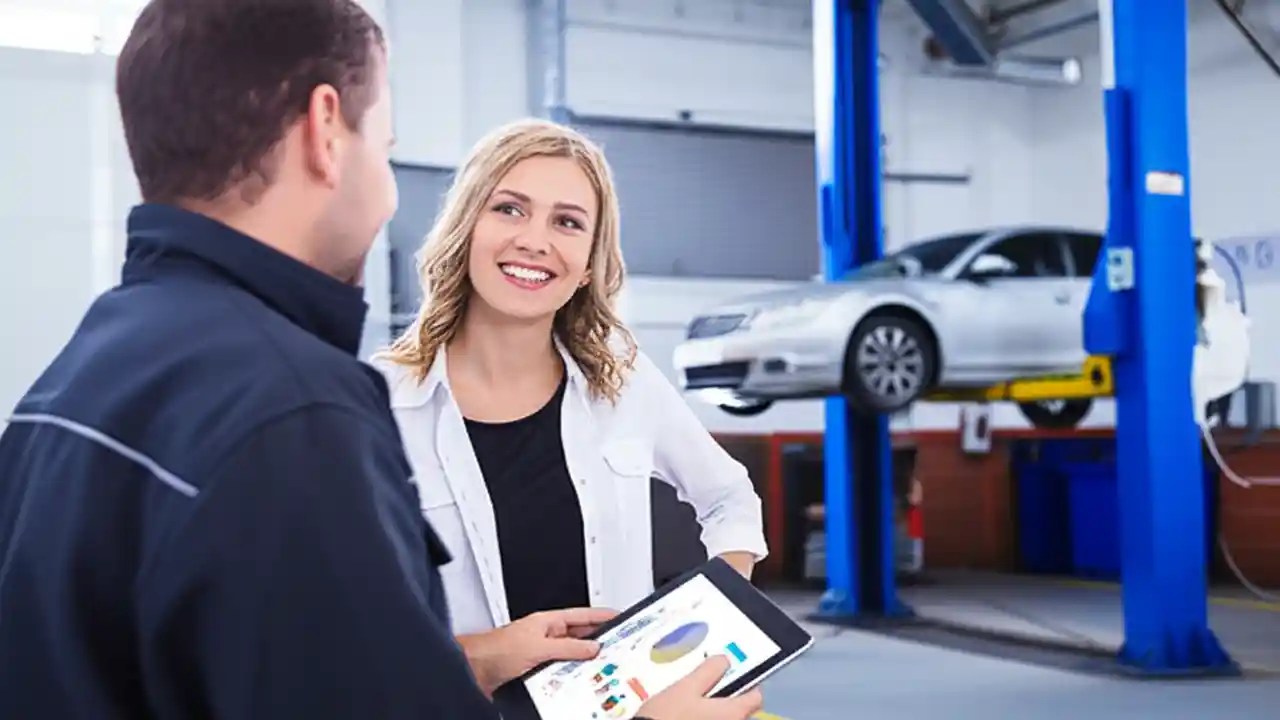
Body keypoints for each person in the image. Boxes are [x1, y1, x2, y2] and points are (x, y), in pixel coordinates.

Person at [0, 2, 759, 719]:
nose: (391, 192)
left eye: (567, 223)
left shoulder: (72, 379)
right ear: (327, 131)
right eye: (386, 148)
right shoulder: (302, 411)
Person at [374, 119, 770, 694]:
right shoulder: (381, 402)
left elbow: (730, 498)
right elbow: (342, 624)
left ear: (588, 263)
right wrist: (479, 657)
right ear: (466, 229)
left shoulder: (621, 376)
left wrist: (709, 627)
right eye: (509, 209)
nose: (535, 240)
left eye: (567, 222)